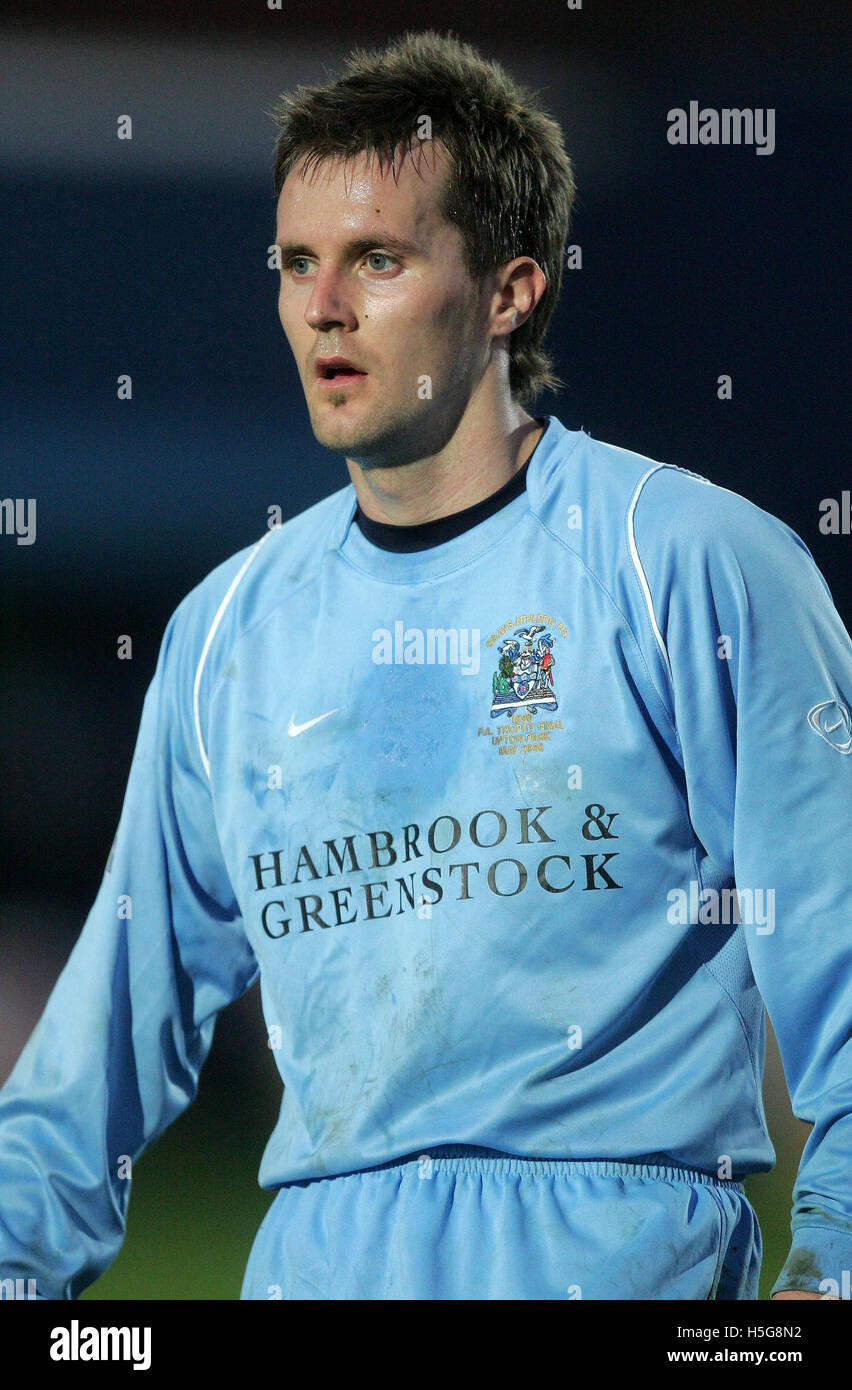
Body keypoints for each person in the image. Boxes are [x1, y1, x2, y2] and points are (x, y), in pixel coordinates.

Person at [1, 29, 849, 1302]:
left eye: (377, 260)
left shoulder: (688, 562)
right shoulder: (227, 631)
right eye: (298, 263)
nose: (323, 307)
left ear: (510, 293)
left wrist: (832, 1270)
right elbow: (103, 1043)